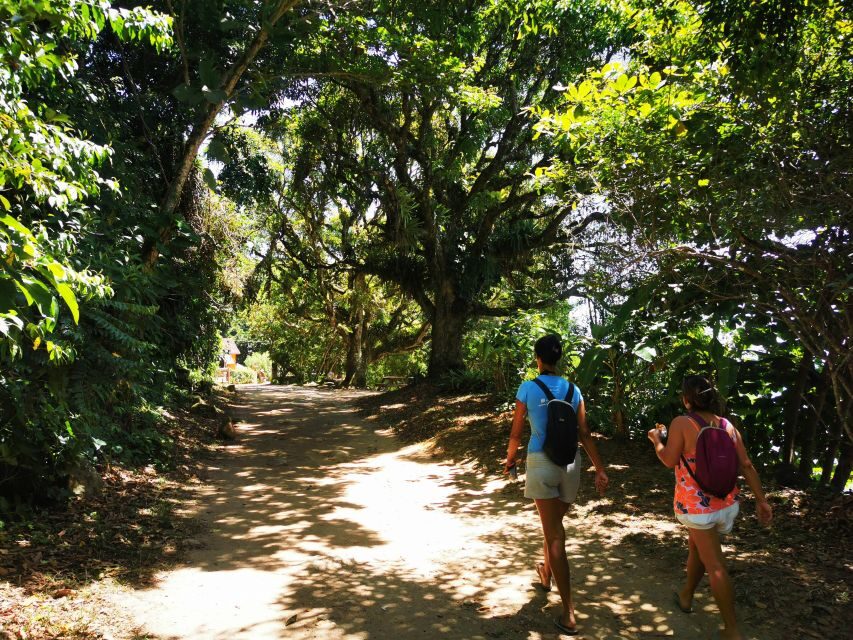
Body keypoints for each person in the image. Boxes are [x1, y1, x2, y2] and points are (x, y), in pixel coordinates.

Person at [647, 375, 773, 640]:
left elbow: (669, 459)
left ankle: (732, 630)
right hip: (726, 504)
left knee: (715, 565)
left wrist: (657, 440)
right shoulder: (727, 426)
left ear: (686, 399)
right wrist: (761, 500)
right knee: (697, 548)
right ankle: (686, 596)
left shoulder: (682, 422)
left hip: (698, 509)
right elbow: (746, 465)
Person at [504, 334, 609, 636]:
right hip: (571, 465)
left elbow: (516, 433)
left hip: (541, 463)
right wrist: (599, 469)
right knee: (552, 526)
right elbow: (585, 434)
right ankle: (545, 573)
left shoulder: (528, 387)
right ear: (559, 358)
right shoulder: (574, 390)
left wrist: (510, 461)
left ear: (538, 358)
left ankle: (569, 613)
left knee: (554, 536)